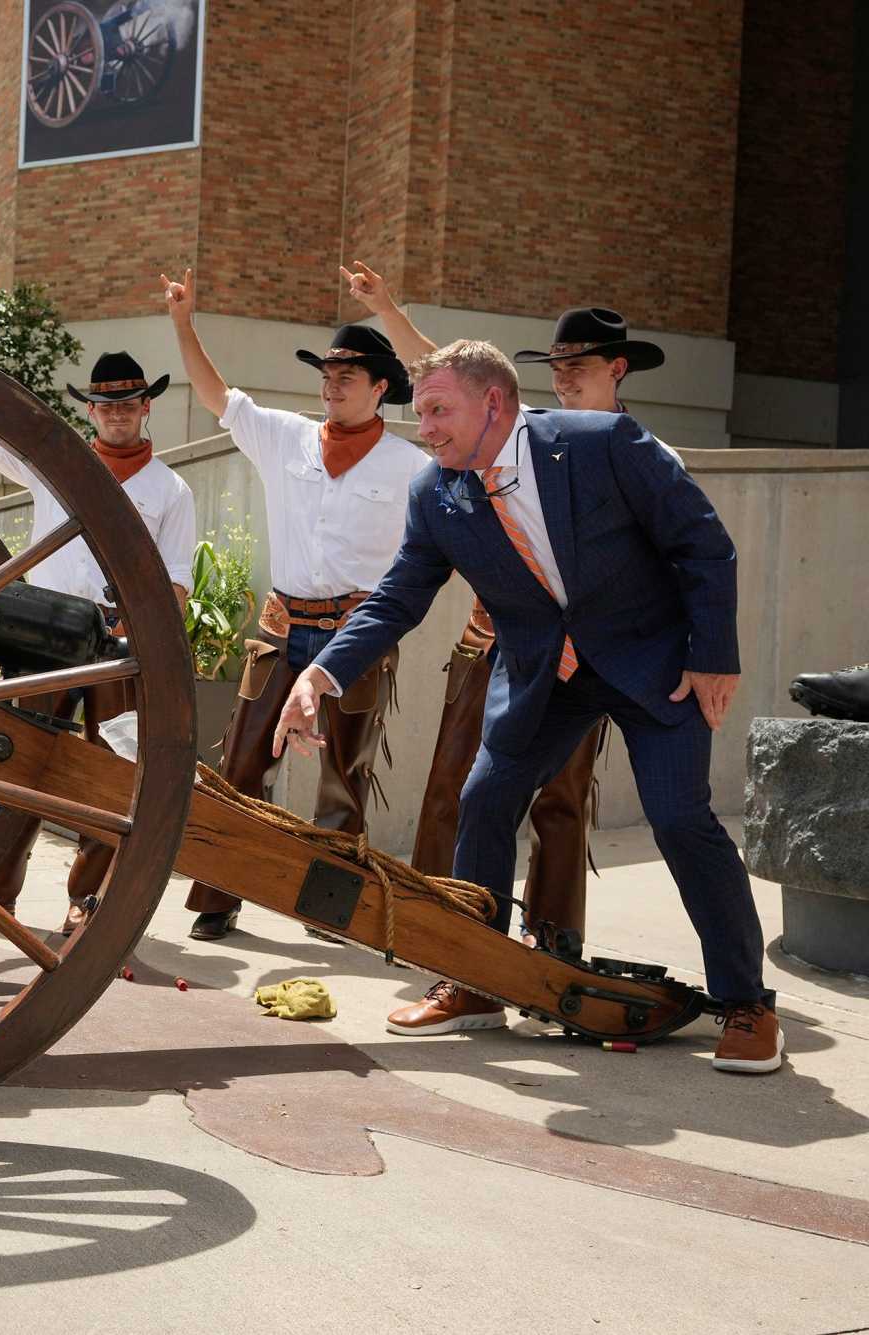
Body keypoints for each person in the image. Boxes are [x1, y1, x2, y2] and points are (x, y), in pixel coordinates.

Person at [275, 339, 781, 1074]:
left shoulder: (604, 443)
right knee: (484, 799)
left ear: (495, 403)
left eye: (439, 411)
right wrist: (320, 676)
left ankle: (747, 1003)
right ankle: (476, 980)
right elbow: (397, 598)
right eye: (422, 414)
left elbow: (701, 543)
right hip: (547, 674)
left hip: (652, 662)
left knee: (680, 818)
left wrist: (713, 655)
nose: (425, 429)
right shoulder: (435, 492)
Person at [350, 264, 669, 954]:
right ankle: (443, 925)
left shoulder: (645, 456)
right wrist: (388, 310)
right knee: (458, 786)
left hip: (585, 655)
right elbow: (447, 377)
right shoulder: (528, 430)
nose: (564, 377)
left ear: (617, 369)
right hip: (493, 640)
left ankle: (554, 943)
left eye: (578, 364)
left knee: (561, 798)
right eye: (556, 365)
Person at [166, 267, 427, 941]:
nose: (331, 385)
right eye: (327, 374)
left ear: (380, 387)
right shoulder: (286, 435)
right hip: (281, 632)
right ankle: (219, 897)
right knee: (241, 765)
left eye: (347, 375)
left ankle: (329, 910)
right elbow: (216, 395)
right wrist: (184, 324)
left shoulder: (412, 467)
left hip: (357, 637)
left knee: (344, 777)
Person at [0, 350, 197, 932]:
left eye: (127, 404)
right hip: (45, 634)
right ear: (89, 411)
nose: (117, 413)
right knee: (19, 759)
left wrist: (139, 635)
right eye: (106, 405)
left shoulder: (171, 489)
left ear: (146, 407)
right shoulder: (54, 465)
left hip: (119, 643)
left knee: (109, 772)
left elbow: (177, 582)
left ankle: (87, 900)